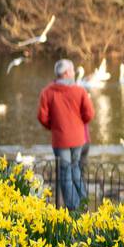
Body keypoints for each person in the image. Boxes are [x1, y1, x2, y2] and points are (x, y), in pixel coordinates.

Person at [37, 59, 93, 211]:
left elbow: (42, 116)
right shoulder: (79, 91)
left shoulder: (47, 92)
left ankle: (73, 207)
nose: (74, 73)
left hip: (60, 138)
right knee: (75, 169)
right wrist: (79, 125)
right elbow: (89, 114)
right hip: (78, 138)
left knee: (65, 172)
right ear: (67, 73)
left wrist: (53, 126)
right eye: (73, 70)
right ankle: (83, 202)